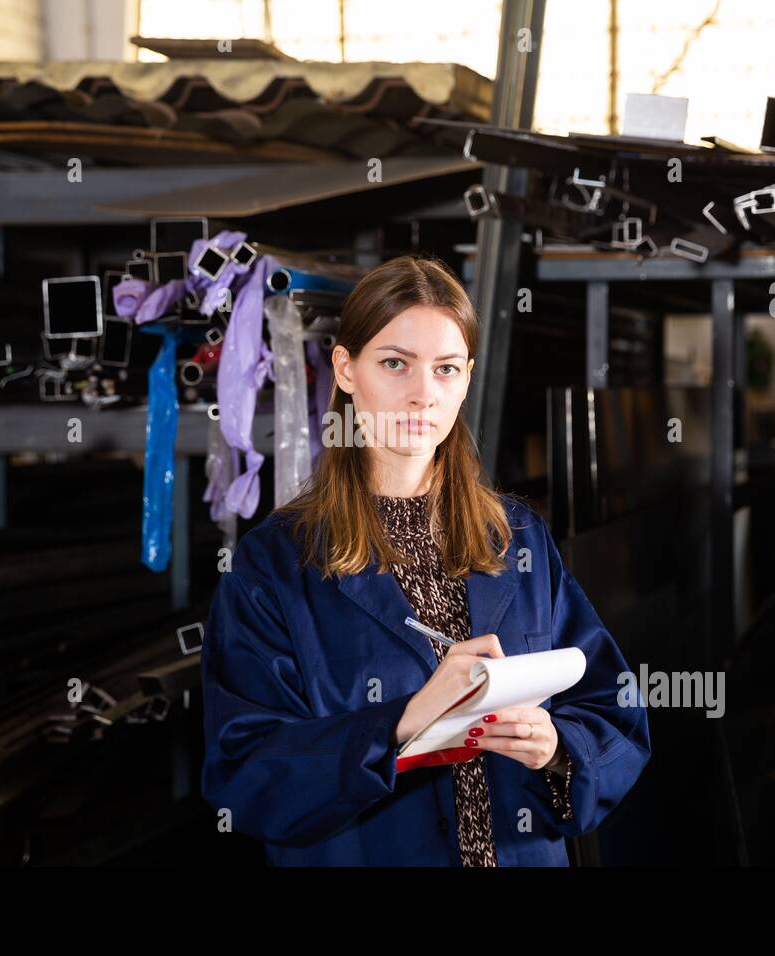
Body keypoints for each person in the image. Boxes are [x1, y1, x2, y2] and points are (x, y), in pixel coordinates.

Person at [200, 254, 650, 866]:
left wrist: (558, 746)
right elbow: (245, 776)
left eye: (444, 369)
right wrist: (404, 721)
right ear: (346, 369)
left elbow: (613, 709)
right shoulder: (275, 565)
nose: (422, 395)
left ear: (467, 378)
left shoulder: (516, 538)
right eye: (395, 364)